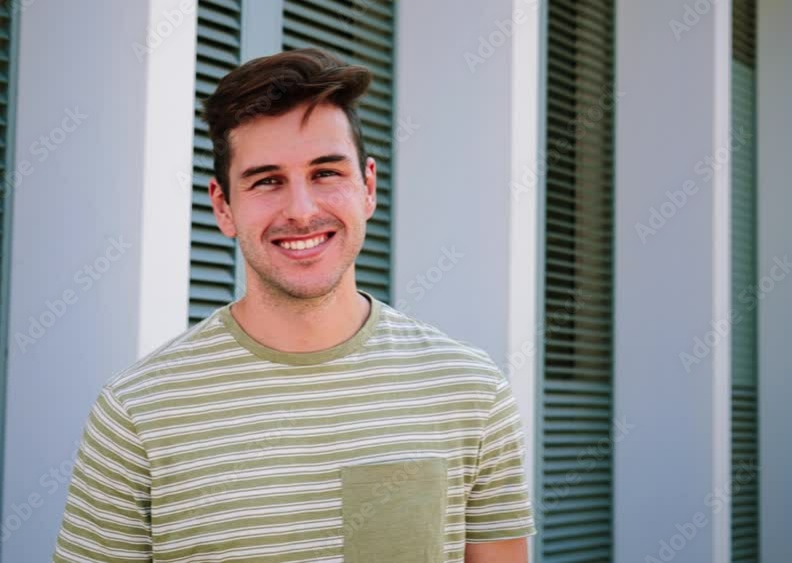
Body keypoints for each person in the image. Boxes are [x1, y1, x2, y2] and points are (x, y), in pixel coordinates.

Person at [53, 47, 535, 563]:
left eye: (326, 173)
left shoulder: (470, 390)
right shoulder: (136, 413)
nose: (302, 211)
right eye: (267, 181)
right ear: (222, 206)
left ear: (367, 187)